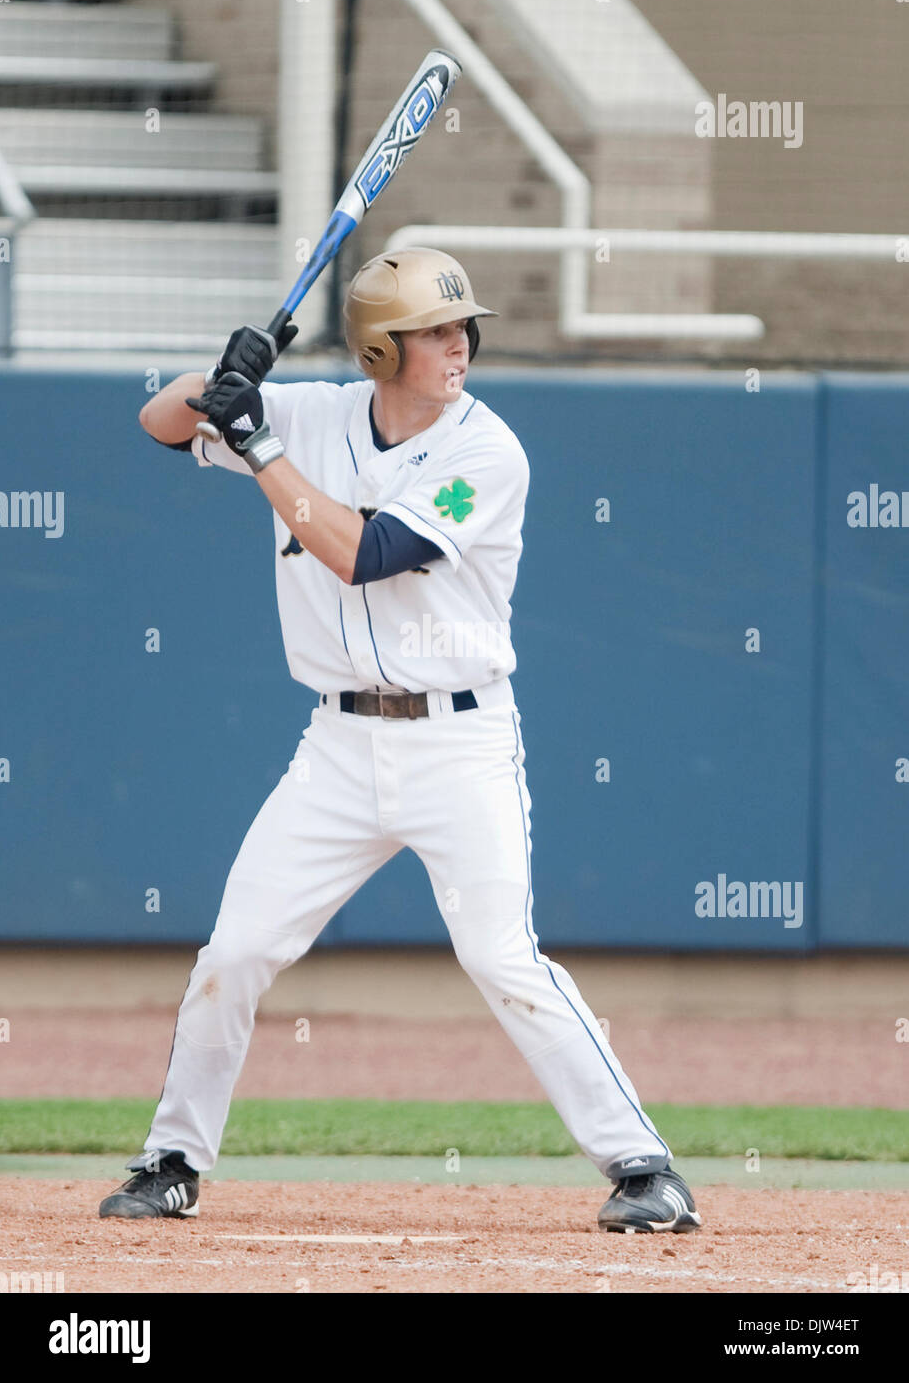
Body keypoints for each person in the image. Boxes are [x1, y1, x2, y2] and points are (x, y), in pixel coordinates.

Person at [98, 247, 701, 1235]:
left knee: (500, 955)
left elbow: (367, 555)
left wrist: (256, 445)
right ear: (381, 345)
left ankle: (642, 1165)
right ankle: (172, 1159)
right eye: (433, 330)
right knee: (235, 949)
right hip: (335, 745)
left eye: (463, 325)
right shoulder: (312, 414)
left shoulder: (487, 451)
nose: (458, 344)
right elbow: (158, 425)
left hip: (458, 745)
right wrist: (219, 380)